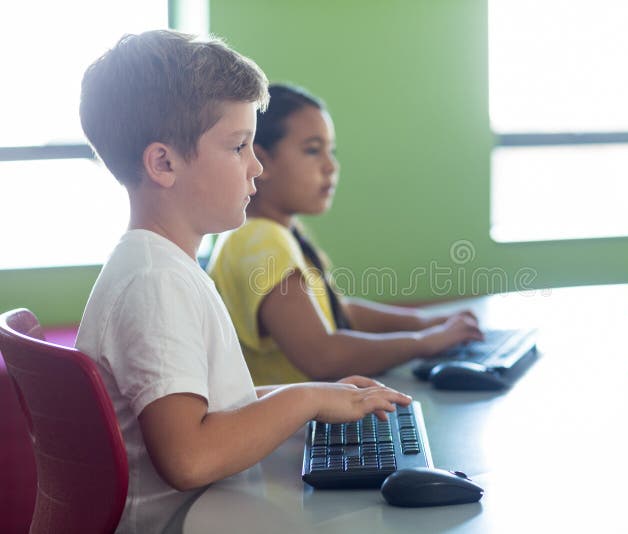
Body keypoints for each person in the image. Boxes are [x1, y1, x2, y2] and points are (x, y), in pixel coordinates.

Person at [75, 30, 410, 534]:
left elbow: (210, 406)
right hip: (184, 523)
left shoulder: (162, 266)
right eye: (238, 146)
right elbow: (189, 458)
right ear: (163, 162)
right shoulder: (155, 283)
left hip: (209, 512)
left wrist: (319, 395)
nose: (257, 166)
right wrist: (306, 400)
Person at [207, 84, 483, 385]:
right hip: (298, 417)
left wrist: (428, 323)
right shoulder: (260, 240)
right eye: (313, 150)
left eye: (331, 151)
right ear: (262, 162)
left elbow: (339, 311)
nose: (331, 166)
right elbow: (322, 356)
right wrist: (424, 342)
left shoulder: (276, 232)